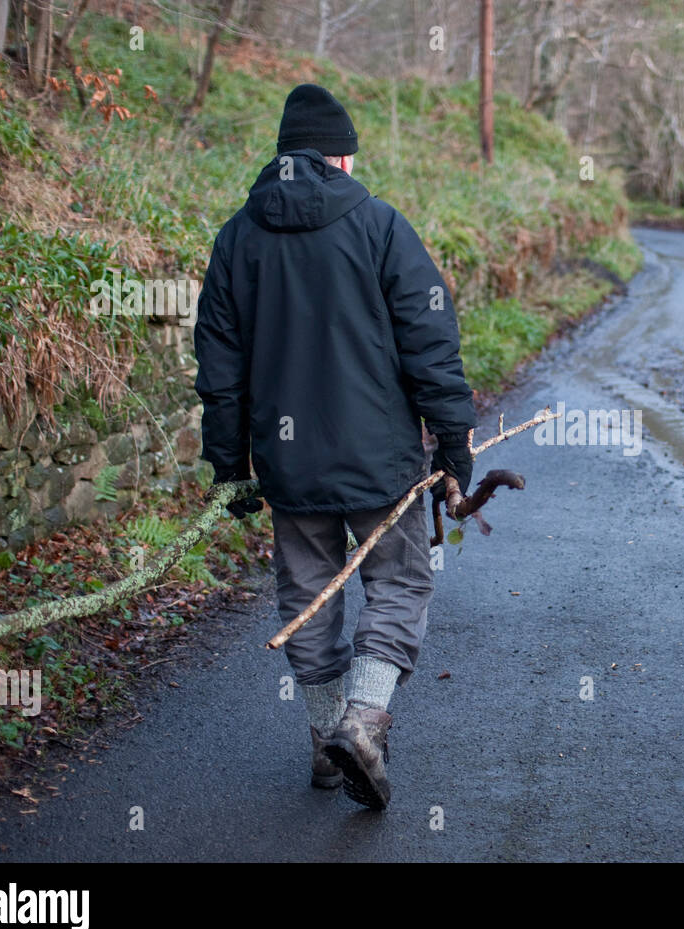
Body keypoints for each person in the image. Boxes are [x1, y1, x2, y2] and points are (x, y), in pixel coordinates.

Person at [193, 83, 475, 810]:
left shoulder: (236, 239)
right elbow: (430, 343)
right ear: (342, 159)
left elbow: (220, 373)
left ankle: (326, 742)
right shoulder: (381, 227)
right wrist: (451, 445)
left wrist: (231, 466)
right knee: (401, 583)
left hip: (289, 468)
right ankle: (361, 723)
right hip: (380, 460)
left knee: (309, 594)